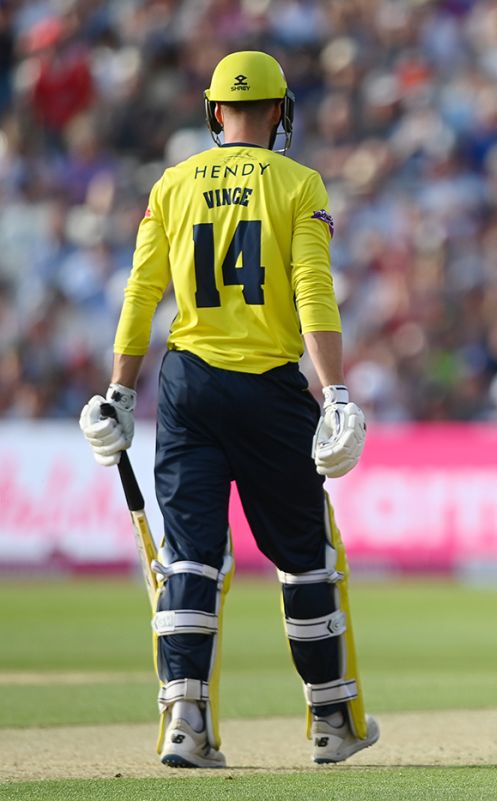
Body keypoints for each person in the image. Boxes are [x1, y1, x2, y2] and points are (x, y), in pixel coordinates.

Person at [78, 51, 378, 768]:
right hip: (271, 387)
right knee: (306, 558)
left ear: (215, 112)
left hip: (187, 386)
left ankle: (185, 723)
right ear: (280, 112)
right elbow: (313, 291)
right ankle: (332, 718)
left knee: (190, 560)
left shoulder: (172, 183)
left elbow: (141, 293)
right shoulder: (299, 181)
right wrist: (334, 390)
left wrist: (120, 388)